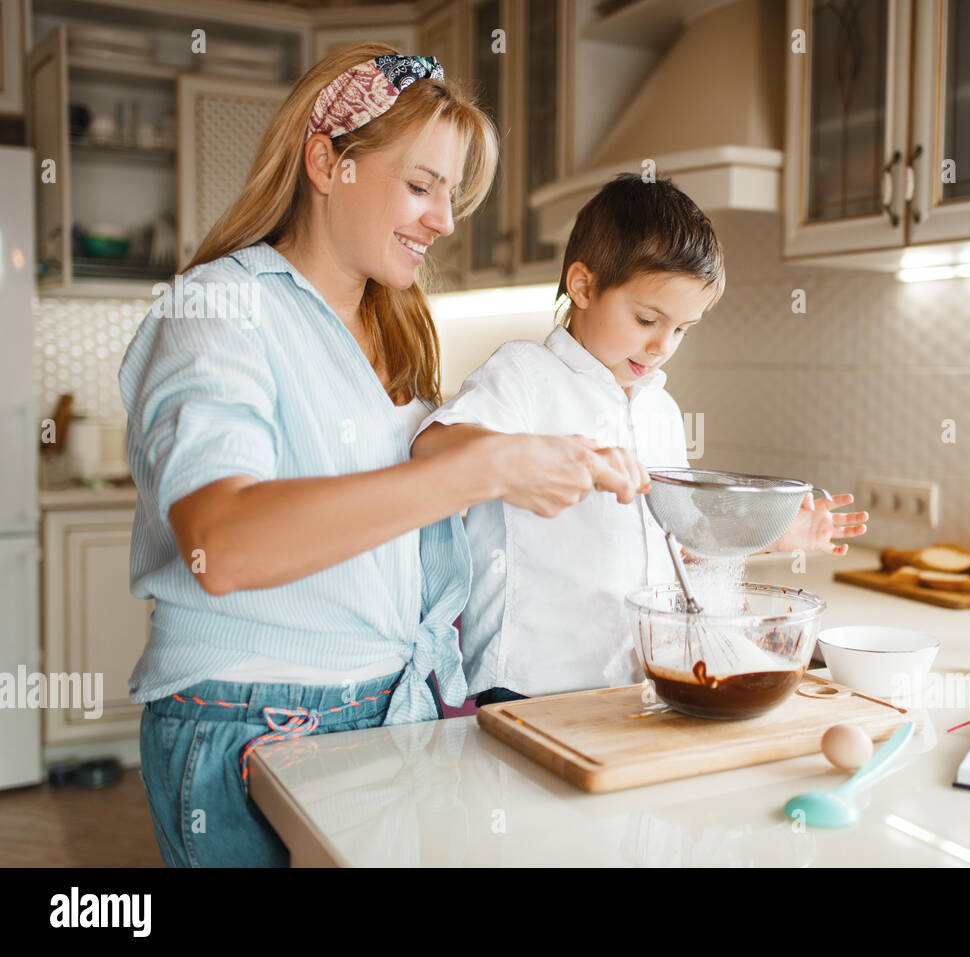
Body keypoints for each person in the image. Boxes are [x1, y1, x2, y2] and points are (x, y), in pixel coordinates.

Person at [119, 45, 646, 868]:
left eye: (451, 194)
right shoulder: (221, 308)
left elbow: (412, 511)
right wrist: (478, 470)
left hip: (393, 714)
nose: (443, 219)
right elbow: (219, 544)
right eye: (420, 185)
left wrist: (533, 459)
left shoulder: (393, 327)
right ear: (327, 161)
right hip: (256, 721)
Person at [411, 174, 868, 707]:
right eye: (647, 318)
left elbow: (678, 539)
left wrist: (771, 535)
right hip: (530, 679)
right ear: (582, 287)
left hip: (633, 676)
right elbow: (432, 447)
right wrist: (552, 457)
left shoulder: (660, 410)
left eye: (681, 329)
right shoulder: (525, 375)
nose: (661, 346)